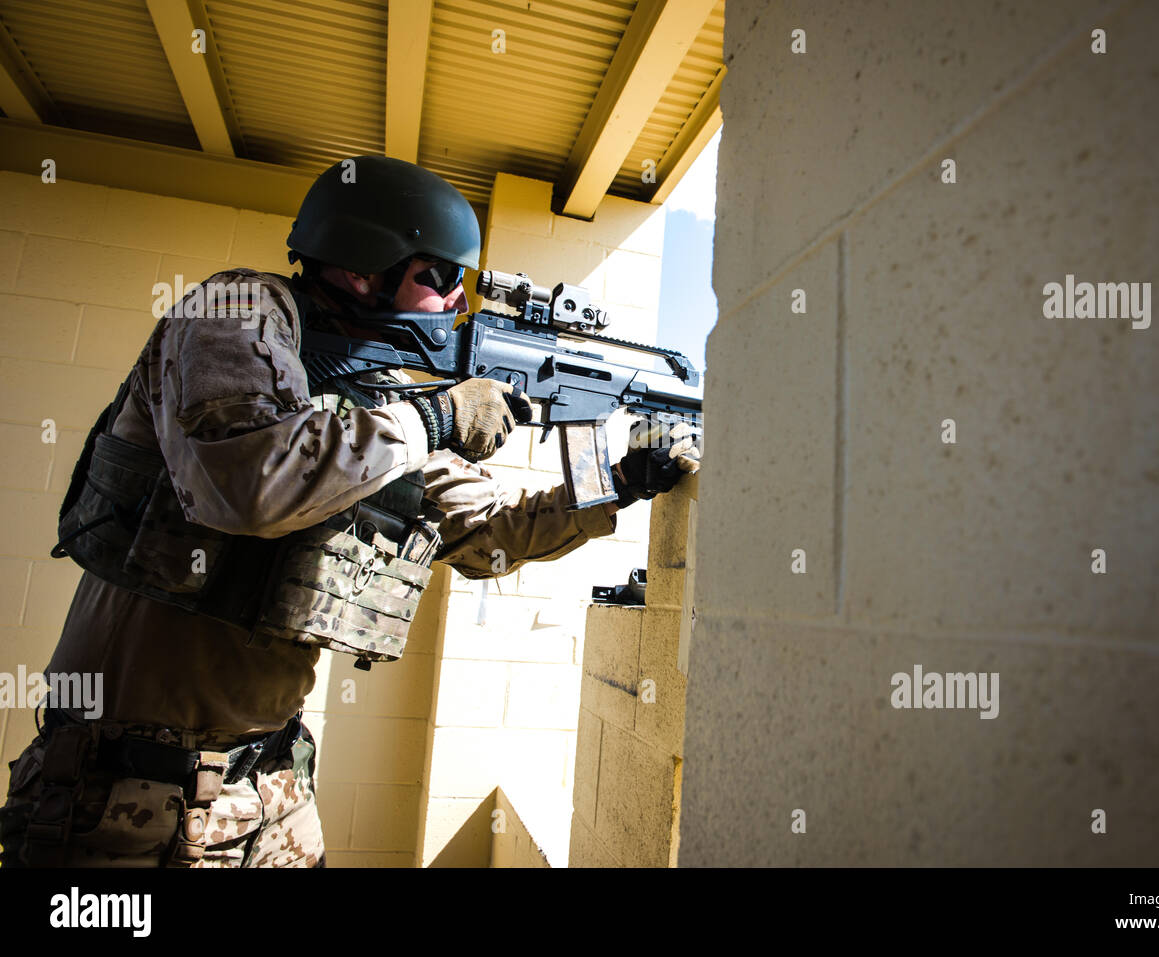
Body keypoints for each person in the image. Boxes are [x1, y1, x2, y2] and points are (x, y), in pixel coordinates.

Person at [0, 155, 698, 868]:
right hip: (119, 803)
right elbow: (247, 479)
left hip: (270, 796)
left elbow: (489, 536)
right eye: (443, 276)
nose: (459, 304)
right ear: (367, 264)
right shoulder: (236, 310)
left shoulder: (381, 401)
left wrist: (621, 480)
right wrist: (433, 415)